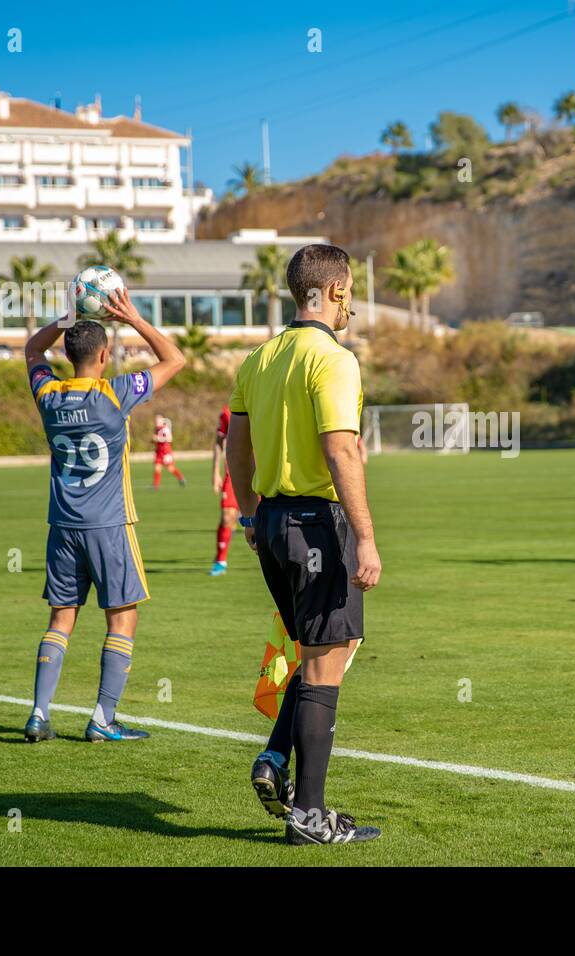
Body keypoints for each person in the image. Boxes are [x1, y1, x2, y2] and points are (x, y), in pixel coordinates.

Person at [225, 243, 382, 845]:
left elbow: (236, 446)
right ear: (337, 291)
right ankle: (309, 817)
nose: (351, 306)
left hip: (270, 523)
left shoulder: (259, 358)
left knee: (323, 649)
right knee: (325, 661)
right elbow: (341, 449)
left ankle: (274, 758)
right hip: (318, 524)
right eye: (351, 294)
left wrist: (246, 513)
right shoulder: (333, 359)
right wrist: (365, 537)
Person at [22, 290, 185, 742]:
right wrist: (132, 316)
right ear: (105, 353)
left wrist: (65, 317)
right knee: (122, 619)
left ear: (68, 353)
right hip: (110, 526)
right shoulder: (115, 393)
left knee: (61, 620)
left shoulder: (49, 393)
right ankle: (102, 719)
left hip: (63, 527)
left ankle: (38, 714)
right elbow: (175, 359)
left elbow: (33, 350)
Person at [209, 404, 238, 576]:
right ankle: (221, 560)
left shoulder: (265, 401)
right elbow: (219, 442)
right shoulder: (228, 411)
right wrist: (215, 472)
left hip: (261, 471)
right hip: (234, 472)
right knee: (227, 516)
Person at [151, 414, 186, 489]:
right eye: (156, 421)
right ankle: (155, 486)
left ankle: (181, 478)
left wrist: (158, 438)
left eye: (158, 421)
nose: (156, 422)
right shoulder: (156, 429)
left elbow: (169, 439)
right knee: (157, 468)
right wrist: (153, 440)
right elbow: (156, 440)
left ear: (162, 421)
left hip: (166, 452)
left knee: (170, 468)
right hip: (159, 452)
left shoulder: (165, 429)